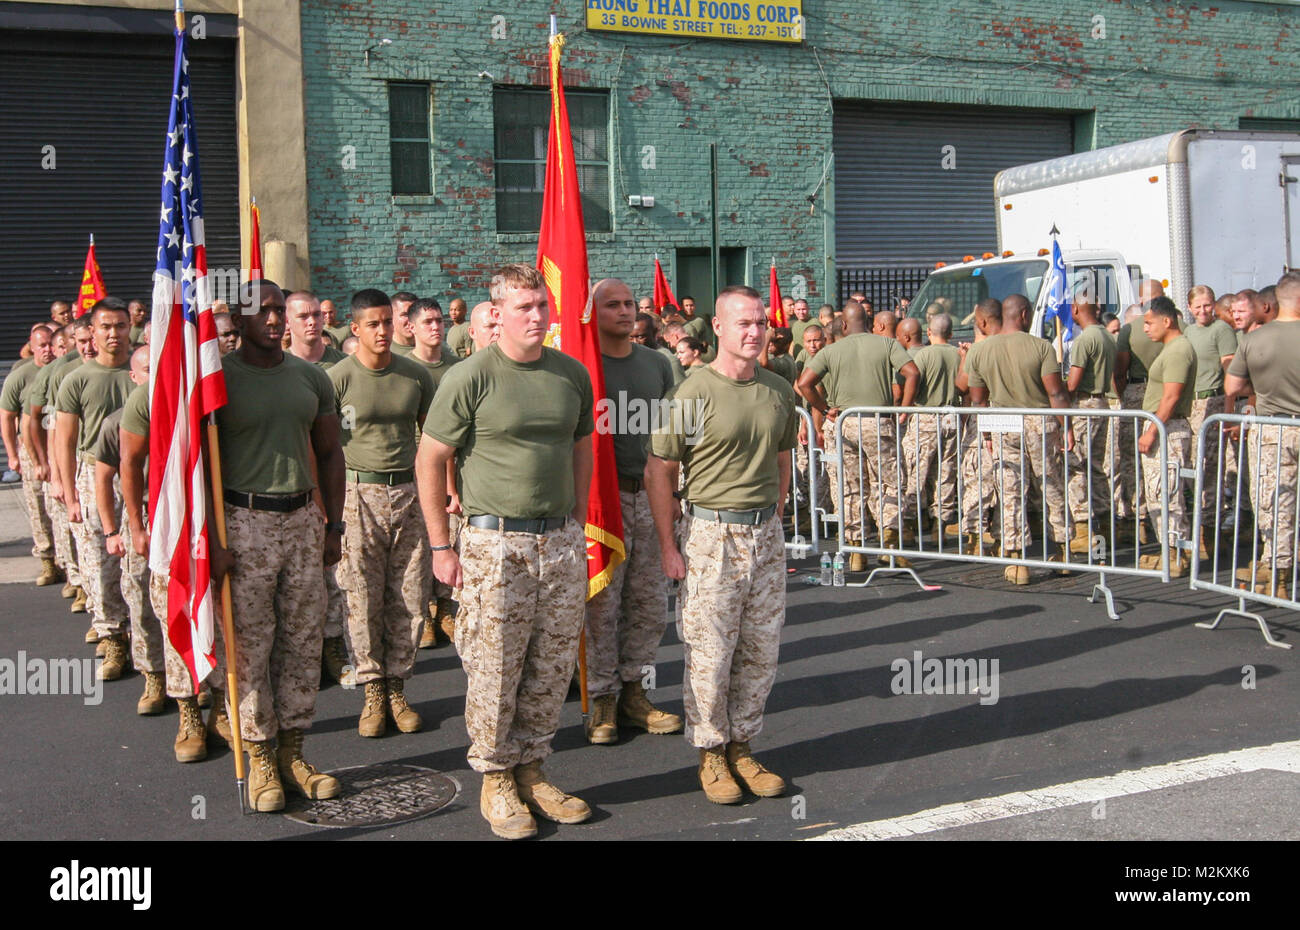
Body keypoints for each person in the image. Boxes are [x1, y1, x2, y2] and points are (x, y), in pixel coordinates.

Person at [416, 262, 594, 840]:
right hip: (495, 543)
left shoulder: (570, 374)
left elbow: (581, 447)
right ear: (496, 313)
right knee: (495, 665)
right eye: (525, 308)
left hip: (559, 540)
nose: (538, 317)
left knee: (551, 662)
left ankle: (534, 768)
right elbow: (430, 460)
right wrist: (442, 545)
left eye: (542, 305)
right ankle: (495, 777)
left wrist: (579, 519)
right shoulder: (470, 376)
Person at [647, 285, 798, 805]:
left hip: (764, 536)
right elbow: (660, 470)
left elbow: (782, 457)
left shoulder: (780, 389)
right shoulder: (692, 393)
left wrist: (774, 514)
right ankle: (711, 753)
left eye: (760, 322)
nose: (755, 331)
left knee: (760, 650)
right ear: (717, 328)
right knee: (710, 653)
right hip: (710, 536)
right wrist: (670, 545)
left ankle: (743, 745)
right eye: (743, 323)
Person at [209, 279, 344, 813]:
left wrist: (333, 526)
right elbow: (199, 465)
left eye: (277, 311)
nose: (273, 320)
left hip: (302, 521)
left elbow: (330, 452)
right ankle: (261, 757)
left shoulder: (310, 377)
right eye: (261, 311)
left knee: (303, 642)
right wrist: (212, 540)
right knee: (250, 648)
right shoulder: (216, 380)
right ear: (237, 320)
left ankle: (294, 752)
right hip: (243, 523)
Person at [330, 289, 436, 738]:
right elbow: (325, 448)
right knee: (362, 597)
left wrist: (444, 497)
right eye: (372, 324)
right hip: (358, 494)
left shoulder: (414, 376)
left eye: (387, 323)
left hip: (408, 493)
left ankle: (398, 686)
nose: (381, 331)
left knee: (409, 596)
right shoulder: (337, 378)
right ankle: (373, 688)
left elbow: (434, 442)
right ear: (355, 329)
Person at [116, 358, 232, 762]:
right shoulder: (144, 399)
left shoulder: (217, 385)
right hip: (172, 523)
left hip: (220, 518)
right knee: (176, 613)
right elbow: (128, 461)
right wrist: (135, 525)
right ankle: (188, 714)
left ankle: (222, 708)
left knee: (223, 614)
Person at [582, 278, 681, 745]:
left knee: (647, 602)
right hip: (601, 502)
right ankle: (601, 698)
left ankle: (634, 691)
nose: (624, 312)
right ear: (592, 312)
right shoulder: (581, 368)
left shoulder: (657, 365)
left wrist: (676, 495)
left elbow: (677, 436)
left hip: (650, 496)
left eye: (628, 304)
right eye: (612, 305)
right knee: (603, 605)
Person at [796, 300, 918, 571]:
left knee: (849, 486)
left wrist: (824, 409)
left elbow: (804, 383)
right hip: (878, 421)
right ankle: (890, 543)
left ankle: (855, 550)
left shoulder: (832, 350)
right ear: (867, 320)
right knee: (888, 483)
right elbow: (912, 373)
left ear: (845, 325)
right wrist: (905, 409)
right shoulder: (886, 344)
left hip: (844, 423)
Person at [965, 293, 1072, 583]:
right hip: (1039, 422)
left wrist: (985, 433)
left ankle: (1016, 560)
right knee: (1051, 486)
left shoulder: (980, 352)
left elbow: (978, 401)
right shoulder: (1042, 347)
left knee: (1010, 492)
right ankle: (1062, 551)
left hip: (1002, 423)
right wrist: (1068, 427)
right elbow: (1056, 393)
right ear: (1024, 315)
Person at [54, 298, 136, 676]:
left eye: (120, 325)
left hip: (141, 475)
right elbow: (65, 440)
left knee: (143, 561)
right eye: (105, 327)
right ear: (92, 331)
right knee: (100, 562)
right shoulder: (77, 379)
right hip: (94, 478)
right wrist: (69, 492)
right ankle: (112, 637)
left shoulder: (143, 369)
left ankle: (144, 637)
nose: (114, 333)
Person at [92, 346, 168, 715]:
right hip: (140, 515)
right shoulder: (117, 423)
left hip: (178, 515)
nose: (154, 377)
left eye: (160, 369)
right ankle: (154, 676)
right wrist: (113, 531)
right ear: (133, 377)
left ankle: (195, 680)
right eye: (147, 371)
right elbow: (104, 478)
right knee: (140, 599)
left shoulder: (179, 412)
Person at [285, 291, 349, 685]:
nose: (312, 322)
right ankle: (302, 653)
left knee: (335, 576)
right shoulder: (281, 368)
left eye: (316, 315)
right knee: (300, 585)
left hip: (339, 474)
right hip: (299, 485)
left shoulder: (342, 366)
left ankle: (334, 644)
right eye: (303, 316)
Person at [1224, 274, 1300, 597]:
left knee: (1276, 503)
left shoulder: (1253, 340)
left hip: (1272, 428)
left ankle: (1279, 576)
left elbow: (1232, 387)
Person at [407, 297, 461, 648]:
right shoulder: (406, 368)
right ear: (411, 327)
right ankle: (424, 609)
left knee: (450, 538)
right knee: (421, 544)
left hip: (451, 466)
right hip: (416, 466)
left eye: (439, 321)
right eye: (428, 322)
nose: (436, 327)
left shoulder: (456, 368)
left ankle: (444, 607)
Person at [1135, 296, 1196, 577]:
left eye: (1149, 323)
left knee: (1167, 493)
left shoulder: (1177, 351)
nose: (1146, 329)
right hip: (1163, 427)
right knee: (1160, 492)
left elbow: (1171, 397)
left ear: (1166, 321)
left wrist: (1150, 432)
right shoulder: (1171, 349)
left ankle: (1176, 554)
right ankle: (1168, 550)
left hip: (1167, 430)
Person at [0, 324, 59, 585]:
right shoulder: (20, 375)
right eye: (42, 345)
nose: (47, 350)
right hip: (32, 450)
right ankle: (47, 560)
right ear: (32, 347)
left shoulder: (63, 372)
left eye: (50, 345)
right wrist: (13, 454)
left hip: (57, 447)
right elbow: (7, 417)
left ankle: (69, 562)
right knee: (38, 507)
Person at [1184, 284, 1237, 551]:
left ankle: (1211, 532)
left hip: (1214, 401)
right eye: (1198, 306)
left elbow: (1231, 371)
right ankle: (1201, 524)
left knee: (1211, 468)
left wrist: (1228, 411)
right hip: (1191, 404)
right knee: (1194, 467)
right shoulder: (1187, 331)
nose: (1203, 310)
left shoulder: (1222, 330)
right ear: (1190, 307)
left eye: (1208, 305)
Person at [1064, 294, 1117, 555]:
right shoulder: (1107, 335)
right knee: (1096, 467)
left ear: (1075, 309)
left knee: (1076, 467)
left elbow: (1073, 383)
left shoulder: (1085, 339)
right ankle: (1105, 528)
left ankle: (1084, 530)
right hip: (1102, 404)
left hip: (1085, 406)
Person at [904, 312, 961, 541]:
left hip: (926, 414)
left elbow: (914, 384)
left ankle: (908, 524)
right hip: (952, 415)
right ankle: (941, 526)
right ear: (951, 333)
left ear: (929, 332)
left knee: (915, 471)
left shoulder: (924, 355)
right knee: (945, 473)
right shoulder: (959, 354)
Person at [1114, 301, 1163, 535]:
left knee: (1131, 458)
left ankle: (1137, 518)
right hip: (1164, 394)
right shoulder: (1175, 328)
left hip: (1135, 392)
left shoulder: (1128, 332)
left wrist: (1123, 394)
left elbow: (1119, 370)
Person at [389, 291, 418, 355]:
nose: (411, 319)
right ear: (391, 317)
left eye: (414, 314)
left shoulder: (435, 351)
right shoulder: (384, 352)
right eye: (405, 315)